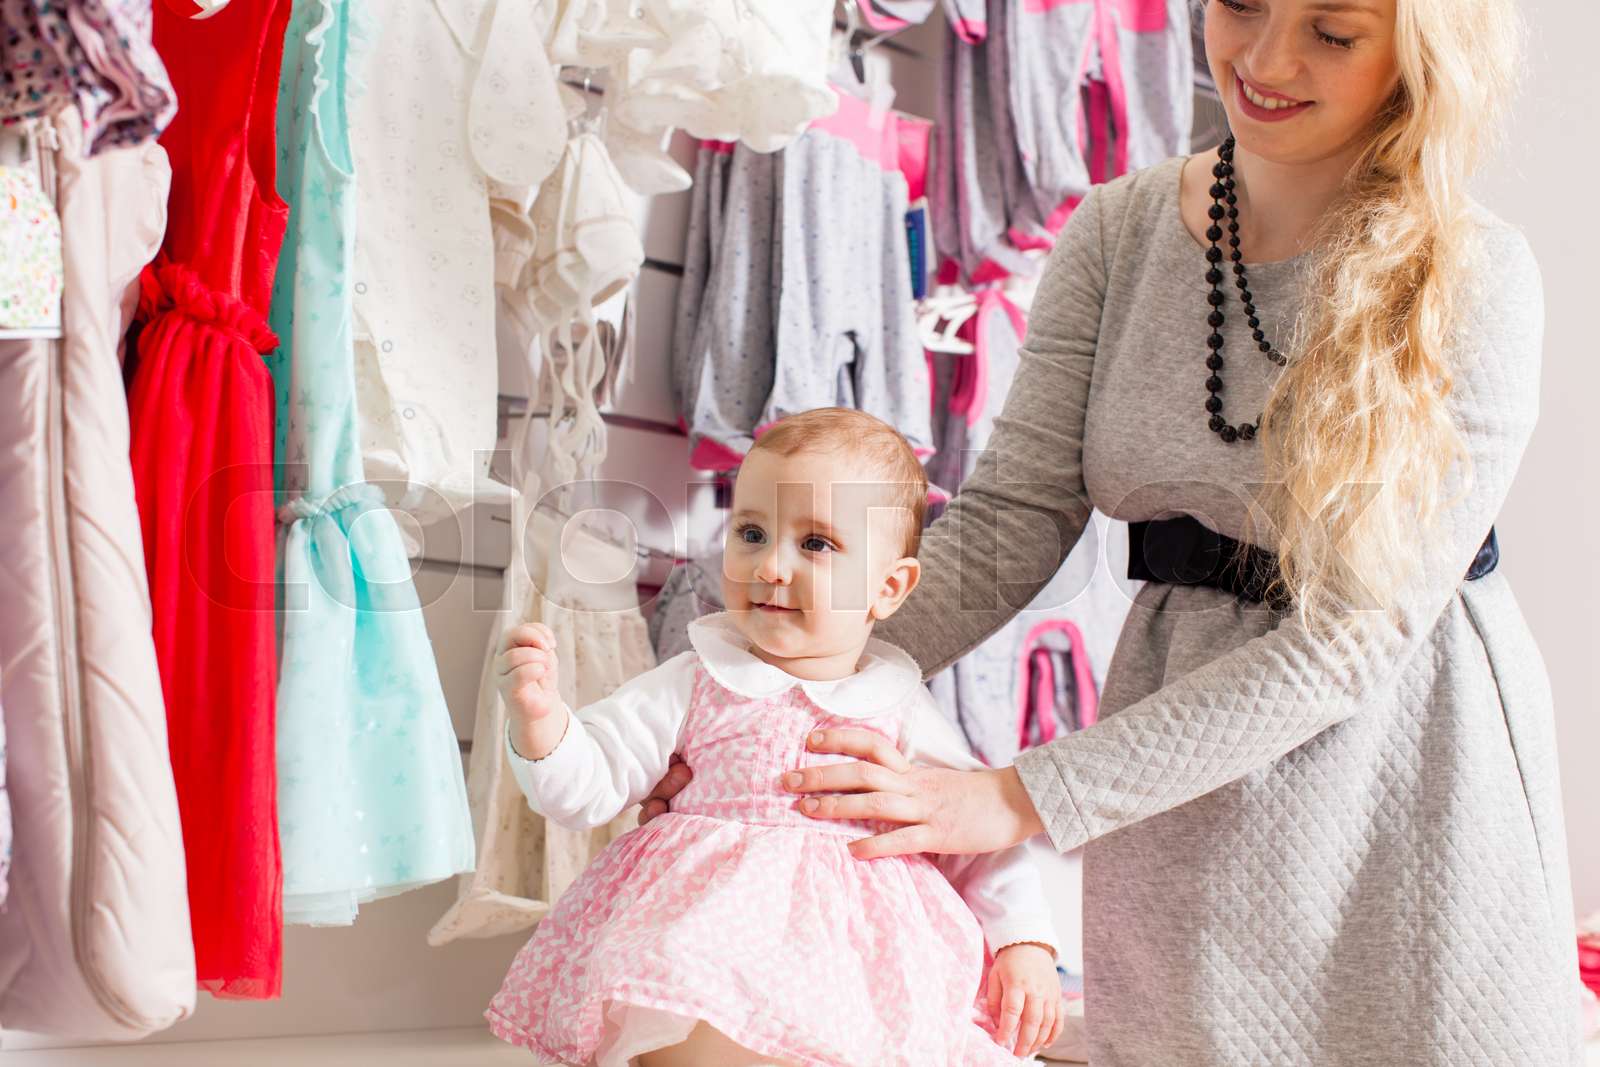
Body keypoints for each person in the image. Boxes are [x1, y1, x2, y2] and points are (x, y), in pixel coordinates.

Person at [641, 0, 1583, 1063]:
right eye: (1240, 5)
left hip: (1404, 764)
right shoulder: (1120, 228)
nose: (1266, 59)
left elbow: (1352, 638)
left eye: (1333, 30)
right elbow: (1008, 521)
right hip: (1173, 744)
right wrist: (755, 708)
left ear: (1418, 56)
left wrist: (1016, 795)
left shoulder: (1475, 274)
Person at [486, 408, 1065, 1067]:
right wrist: (541, 723)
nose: (770, 565)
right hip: (707, 949)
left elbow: (975, 834)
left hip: (858, 970)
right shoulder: (697, 680)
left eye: (815, 543)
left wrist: (1025, 945)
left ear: (889, 585)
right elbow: (585, 787)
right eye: (752, 533)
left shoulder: (898, 707)